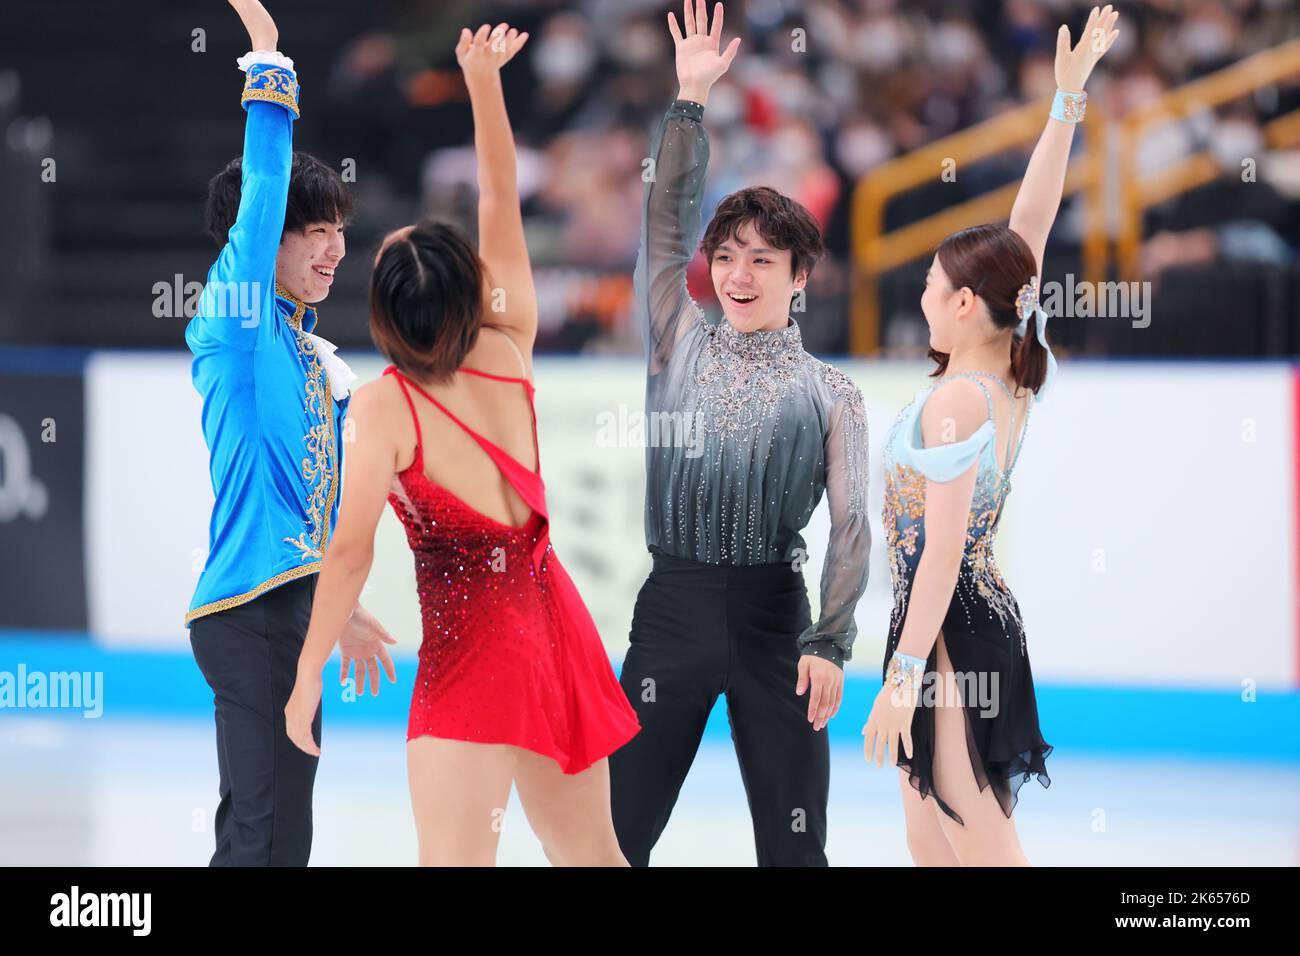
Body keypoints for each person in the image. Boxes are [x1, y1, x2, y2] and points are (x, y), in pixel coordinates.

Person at [284, 22, 641, 867]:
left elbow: (347, 553)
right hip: (557, 631)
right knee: (594, 858)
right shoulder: (509, 341)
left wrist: (305, 680)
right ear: (470, 289)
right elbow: (499, 194)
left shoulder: (384, 409)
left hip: (476, 657)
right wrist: (482, 81)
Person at [609, 0, 871, 867]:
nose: (738, 273)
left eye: (763, 259)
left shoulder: (833, 393)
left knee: (796, 851)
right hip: (671, 614)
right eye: (726, 255)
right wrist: (689, 102)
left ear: (801, 278)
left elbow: (852, 527)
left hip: (776, 625)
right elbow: (662, 227)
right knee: (610, 840)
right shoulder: (676, 339)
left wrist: (830, 641)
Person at [862, 5, 1121, 866]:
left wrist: (903, 676)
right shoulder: (1006, 372)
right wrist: (1066, 103)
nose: (925, 299)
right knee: (929, 839)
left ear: (966, 303)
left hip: (949, 631)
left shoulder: (959, 401)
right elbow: (1030, 232)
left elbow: (939, 555)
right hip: (965, 622)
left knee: (975, 843)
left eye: (935, 286)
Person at [185, 0, 394, 867]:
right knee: (270, 839)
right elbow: (263, 193)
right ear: (261, 241)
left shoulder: (311, 359)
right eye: (314, 230)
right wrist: (268, 65)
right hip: (247, 612)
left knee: (270, 835)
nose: (335, 248)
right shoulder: (235, 324)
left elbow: (318, 510)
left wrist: (335, 610)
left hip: (287, 611)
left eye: (340, 230)